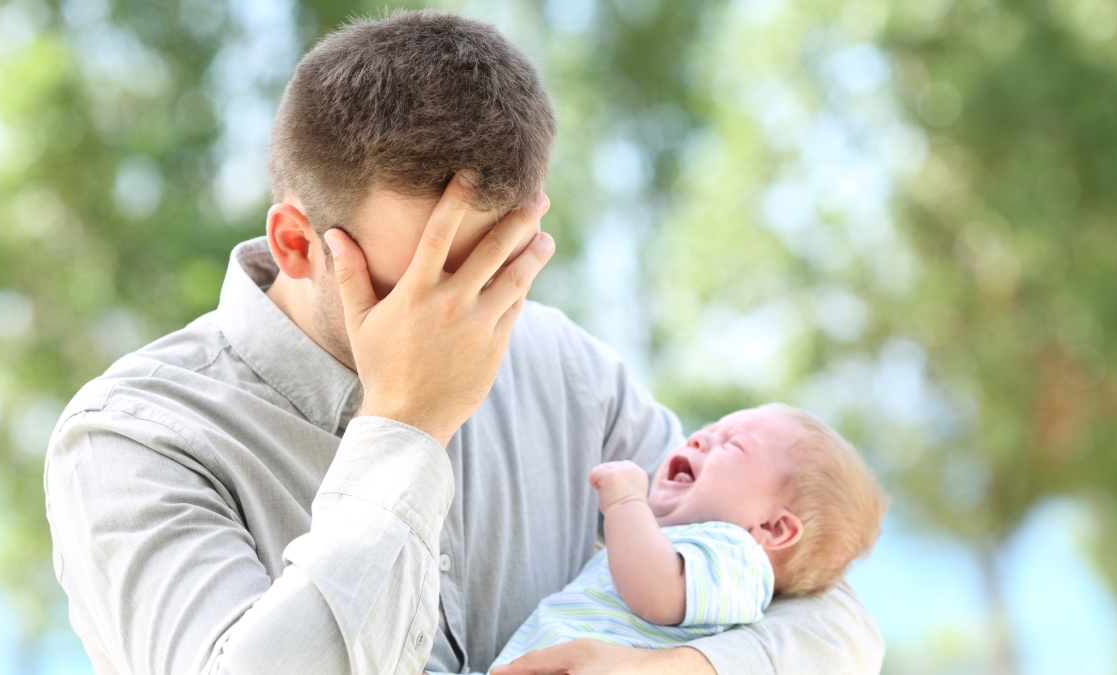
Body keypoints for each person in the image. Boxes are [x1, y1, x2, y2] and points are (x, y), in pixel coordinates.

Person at [44, 10, 884, 675]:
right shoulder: (134, 438)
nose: (475, 309)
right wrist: (404, 429)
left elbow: (828, 613)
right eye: (435, 273)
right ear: (299, 243)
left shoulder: (566, 370)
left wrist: (685, 666)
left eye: (505, 264)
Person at [484, 404, 888, 672]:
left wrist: (626, 503)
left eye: (731, 444)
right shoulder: (690, 544)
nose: (696, 439)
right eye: (706, 431)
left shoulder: (739, 558)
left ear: (773, 529)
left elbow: (657, 592)